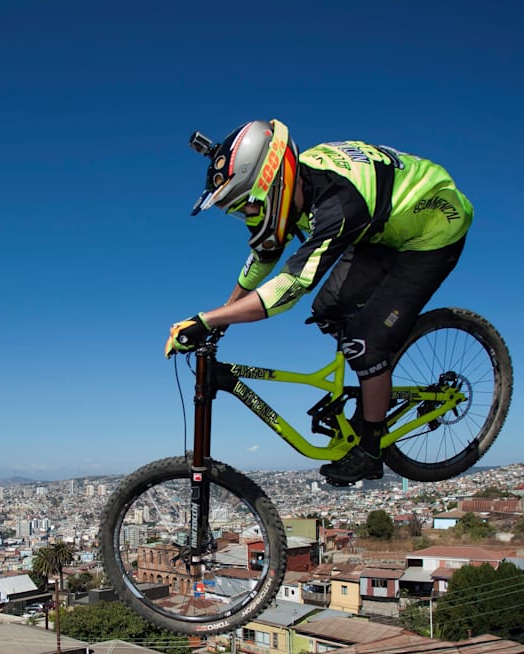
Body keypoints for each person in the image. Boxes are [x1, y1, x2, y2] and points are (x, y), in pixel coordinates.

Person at [169, 119, 474, 486]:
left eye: (248, 207)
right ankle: (373, 380)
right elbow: (265, 256)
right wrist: (220, 318)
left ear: (272, 184)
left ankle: (370, 446)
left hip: (433, 230)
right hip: (380, 227)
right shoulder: (294, 181)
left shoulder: (337, 207)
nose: (247, 217)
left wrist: (206, 319)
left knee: (365, 343)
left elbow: (290, 287)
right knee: (327, 309)